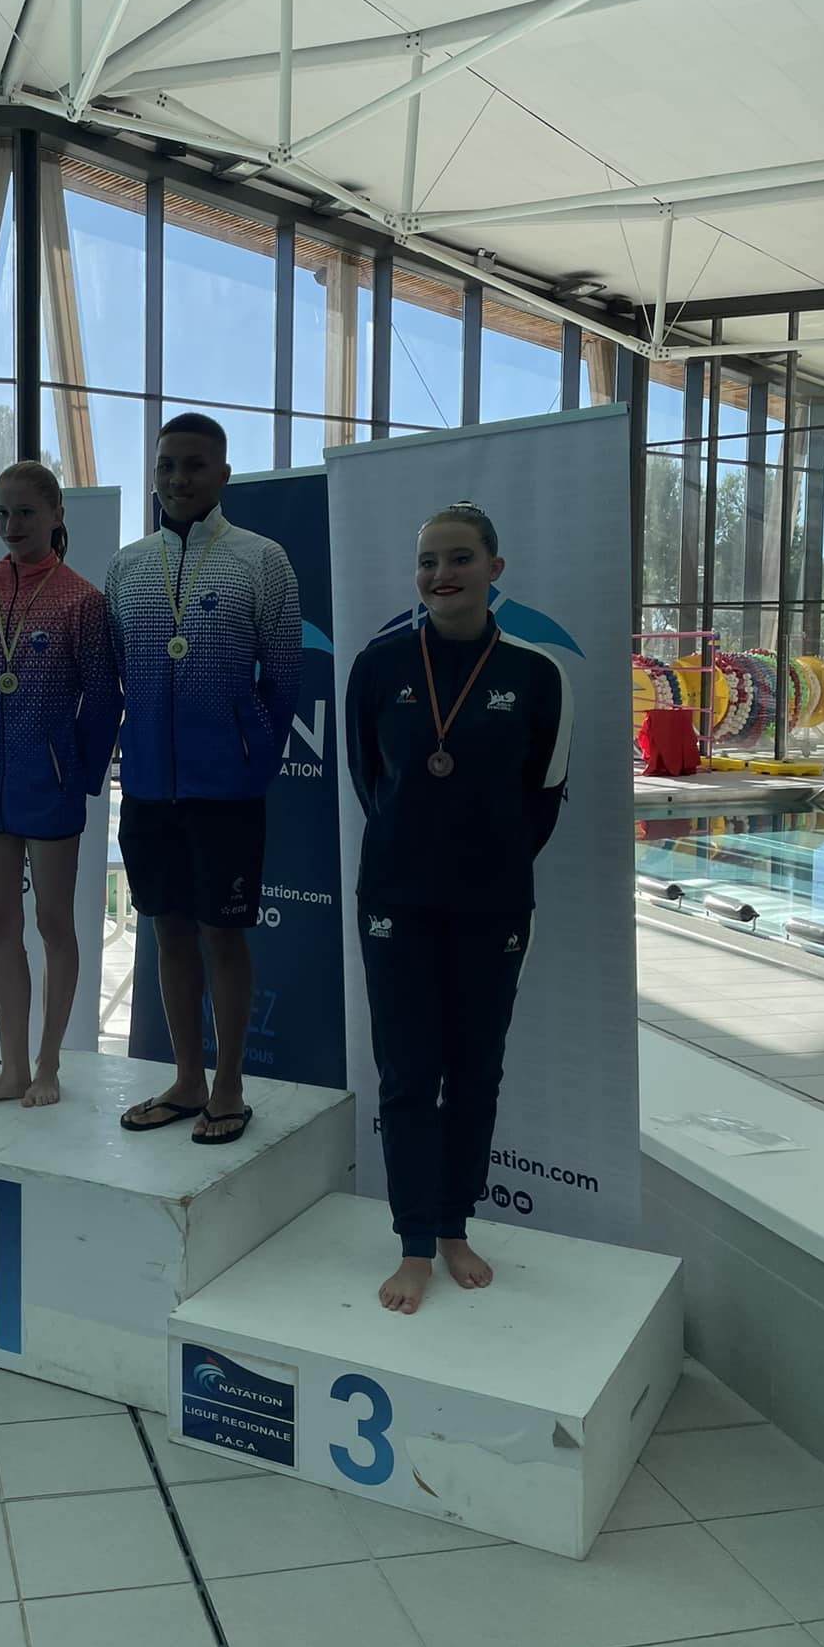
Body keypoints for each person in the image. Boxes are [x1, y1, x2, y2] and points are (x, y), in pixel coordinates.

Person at [345, 502, 572, 1314]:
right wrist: (420, 852)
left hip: (492, 905)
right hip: (397, 899)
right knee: (408, 1073)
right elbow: (370, 778)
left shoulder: (538, 676)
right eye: (428, 561)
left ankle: (454, 1226)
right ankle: (412, 1241)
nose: (441, 574)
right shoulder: (376, 667)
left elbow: (544, 795)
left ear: (494, 570)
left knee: (475, 1071)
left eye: (459, 558)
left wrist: (490, 860)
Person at [106, 413, 301, 1144]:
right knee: (168, 935)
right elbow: (120, 671)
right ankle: (186, 1081)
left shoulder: (261, 560)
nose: (178, 480)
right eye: (166, 467)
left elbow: (283, 679)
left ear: (222, 474)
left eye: (193, 466)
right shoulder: (127, 567)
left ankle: (229, 1087)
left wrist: (250, 756)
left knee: (224, 938)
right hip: (152, 788)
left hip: (227, 791)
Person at [0, 463, 121, 1109]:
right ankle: (12, 1067)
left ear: (56, 516)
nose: (12, 525)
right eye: (2, 513)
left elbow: (104, 700)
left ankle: (49, 1064)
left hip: (50, 786)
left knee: (54, 924)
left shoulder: (82, 601)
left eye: (24, 512)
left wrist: (73, 774)